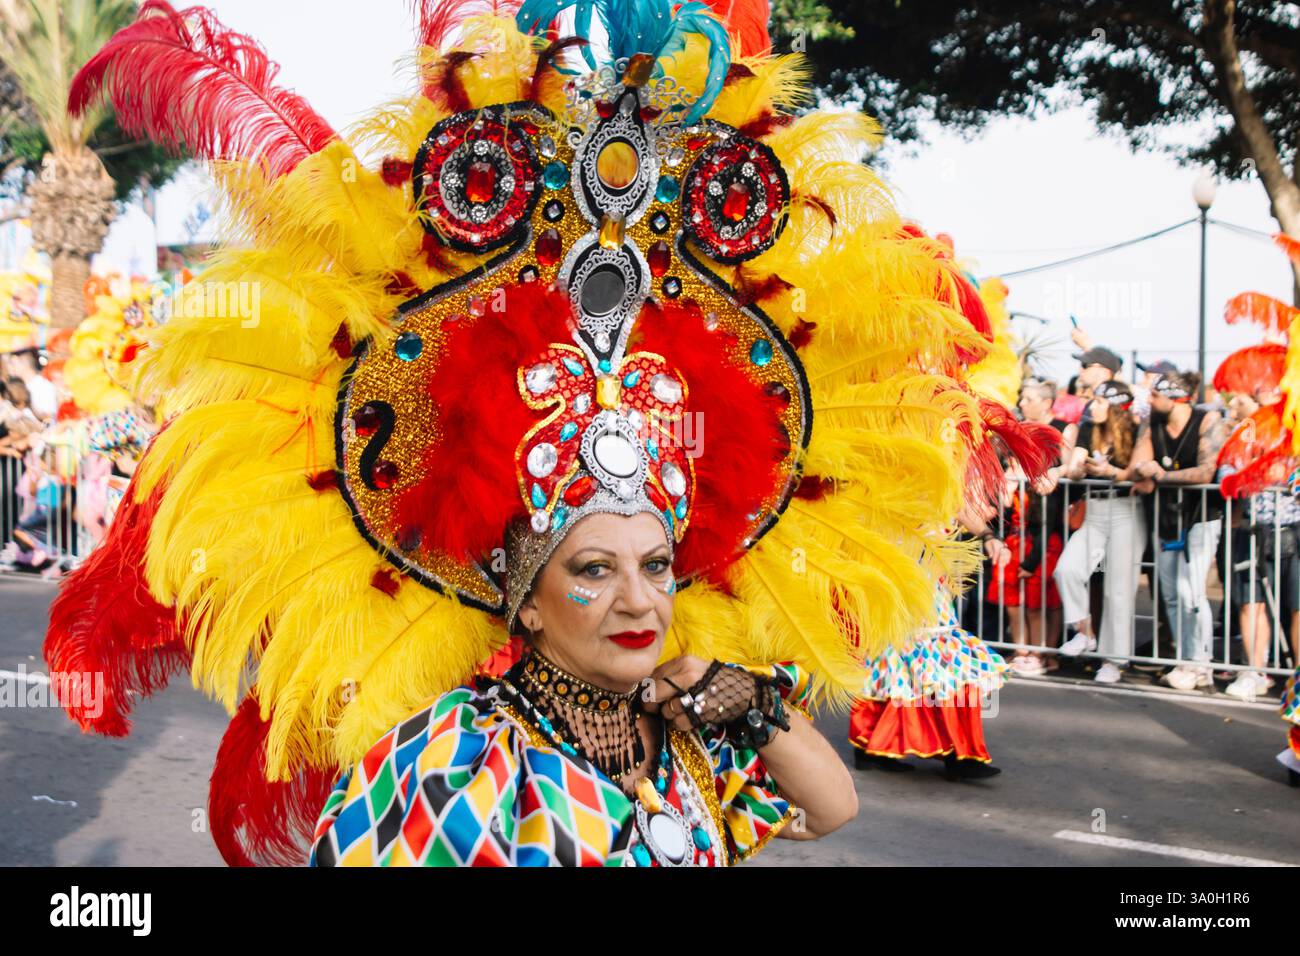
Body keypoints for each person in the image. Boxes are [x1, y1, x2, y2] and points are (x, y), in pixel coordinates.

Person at [45, 0, 996, 865]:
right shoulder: (446, 763)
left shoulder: (681, 720)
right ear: (524, 600)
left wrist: (739, 696)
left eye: (655, 566)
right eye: (594, 570)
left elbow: (832, 808)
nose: (639, 600)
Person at [850, 508, 1012, 780]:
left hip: (929, 581)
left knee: (921, 657)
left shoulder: (944, 475)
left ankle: (876, 745)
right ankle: (956, 753)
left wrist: (988, 535)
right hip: (900, 576)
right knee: (919, 656)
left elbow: (959, 505)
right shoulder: (898, 475)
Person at [1130, 371, 1228, 690]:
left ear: (1174, 397)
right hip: (1166, 517)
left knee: (1191, 592)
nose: (1151, 400)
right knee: (1172, 594)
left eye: (1156, 395)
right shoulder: (1153, 422)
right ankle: (1184, 660)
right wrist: (1147, 470)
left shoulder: (1207, 420)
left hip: (1201, 515)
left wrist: (1158, 477)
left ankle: (1201, 662)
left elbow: (1206, 471)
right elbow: (1139, 464)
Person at [1055, 380, 1145, 683]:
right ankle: (1085, 632)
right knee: (1067, 569)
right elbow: (1074, 466)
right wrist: (1078, 469)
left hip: (1126, 511)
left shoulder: (1135, 429)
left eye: (1100, 401)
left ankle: (1113, 660)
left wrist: (1111, 473)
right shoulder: (1088, 427)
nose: (1093, 406)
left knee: (1118, 589)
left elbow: (1136, 469)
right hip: (1093, 509)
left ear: (1116, 405)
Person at [994, 378, 1075, 675]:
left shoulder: (1059, 439)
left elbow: (1049, 515)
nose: (1023, 403)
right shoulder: (1013, 471)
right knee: (1014, 600)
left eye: (1029, 398)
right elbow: (1003, 507)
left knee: (1040, 600)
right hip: (1015, 536)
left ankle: (1041, 652)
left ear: (1045, 403)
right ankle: (1022, 650)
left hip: (1041, 537)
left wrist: (1031, 560)